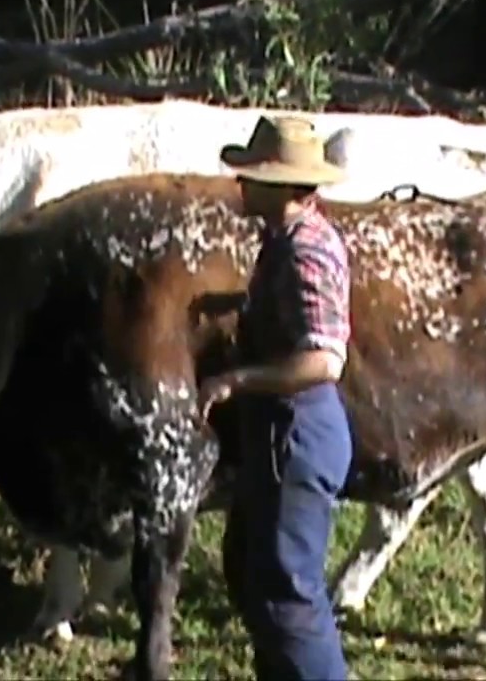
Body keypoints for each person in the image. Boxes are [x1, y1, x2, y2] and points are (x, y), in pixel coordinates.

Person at [198, 115, 354, 680]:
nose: (242, 184)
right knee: (255, 576)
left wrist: (237, 380)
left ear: (286, 186)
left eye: (256, 174)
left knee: (289, 597)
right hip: (286, 434)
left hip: (297, 433)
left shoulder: (303, 252)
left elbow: (324, 359)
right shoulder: (287, 239)